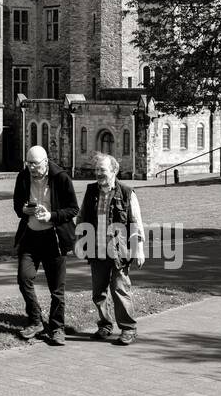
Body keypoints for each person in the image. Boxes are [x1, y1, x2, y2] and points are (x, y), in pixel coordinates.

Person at [76, 152, 145, 346]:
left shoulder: (126, 192)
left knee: (120, 289)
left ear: (114, 171)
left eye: (102, 170)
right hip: (96, 249)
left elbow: (136, 223)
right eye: (96, 169)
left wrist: (139, 249)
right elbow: (81, 217)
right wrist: (79, 240)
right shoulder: (91, 191)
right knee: (99, 292)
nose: (98, 173)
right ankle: (105, 325)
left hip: (119, 250)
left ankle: (128, 329)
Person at [12, 144, 78, 345]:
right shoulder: (23, 177)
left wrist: (52, 215)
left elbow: (73, 209)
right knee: (24, 278)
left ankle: (57, 328)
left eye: (35, 164)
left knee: (56, 288)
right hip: (30, 237)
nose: (32, 168)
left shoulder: (61, 178)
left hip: (54, 238)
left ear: (46, 162)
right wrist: (24, 209)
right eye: (29, 163)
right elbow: (16, 205)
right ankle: (36, 320)